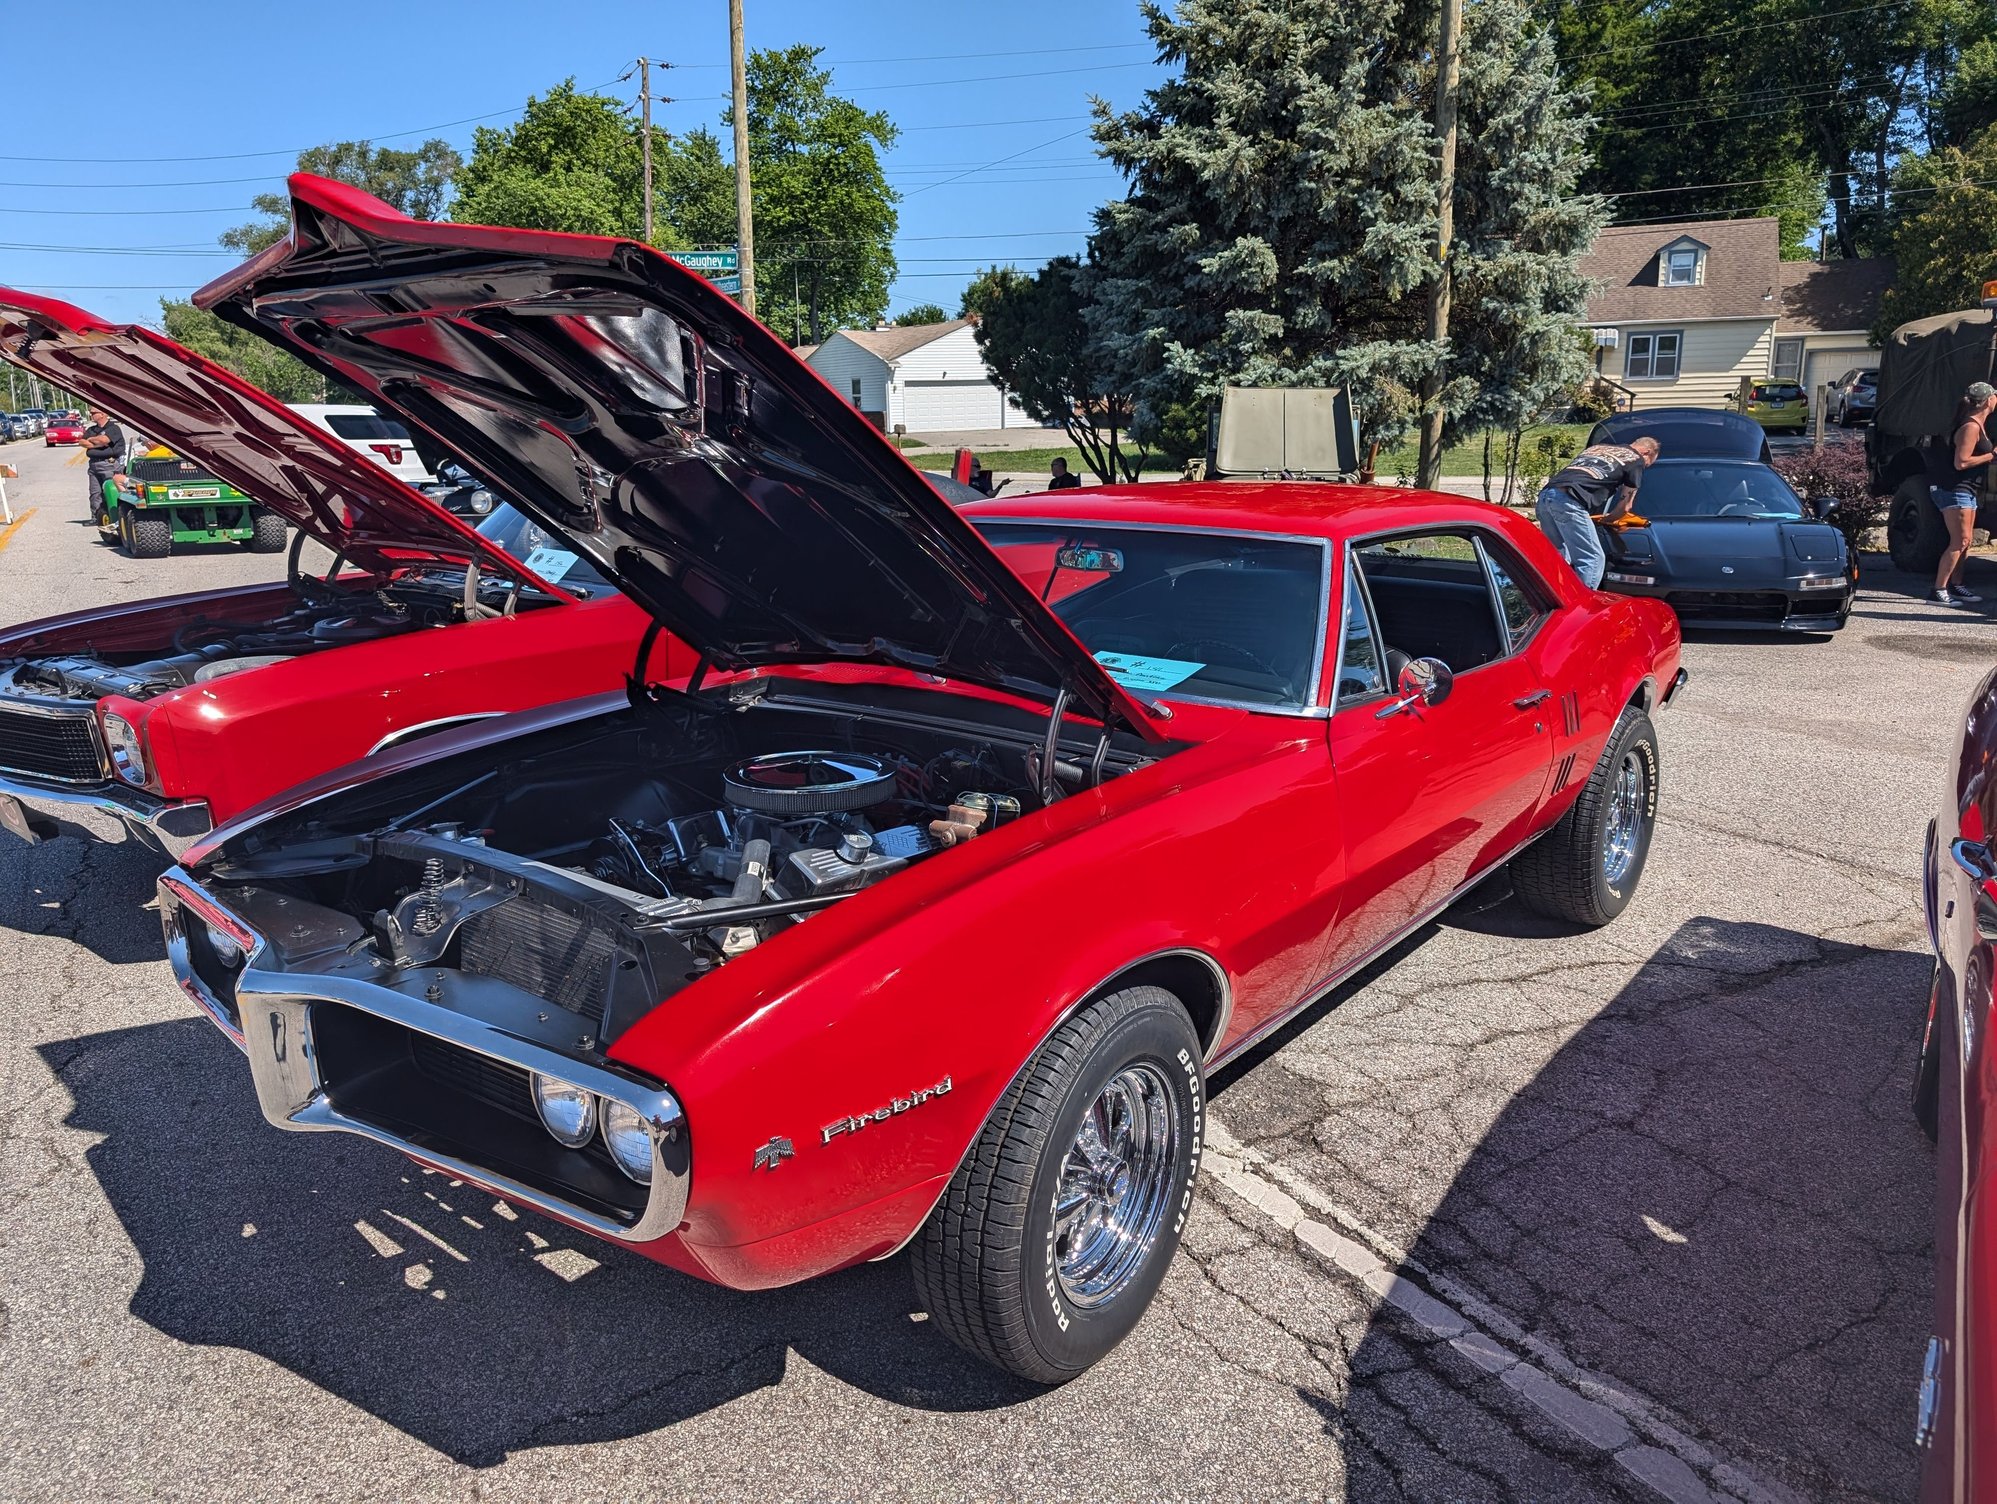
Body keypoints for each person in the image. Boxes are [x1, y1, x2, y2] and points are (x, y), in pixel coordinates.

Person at [1534, 435, 1660, 590]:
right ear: (1647, 452)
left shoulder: (1597, 448)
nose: (1644, 467)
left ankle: (1550, 596)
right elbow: (1625, 506)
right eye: (1648, 464)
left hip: (1546, 495)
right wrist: (1610, 519)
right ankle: (1581, 606)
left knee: (1557, 556)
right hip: (1569, 501)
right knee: (1592, 558)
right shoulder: (1636, 459)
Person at [1931, 381, 1996, 605]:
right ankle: (1938, 590)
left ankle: (1957, 585)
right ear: (1989, 400)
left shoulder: (1979, 424)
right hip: (1955, 490)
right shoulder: (1970, 426)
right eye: (1995, 396)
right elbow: (1961, 462)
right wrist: (1991, 456)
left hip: (1967, 490)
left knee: (1966, 542)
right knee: (1959, 541)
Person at [79, 407, 126, 515]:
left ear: (102, 414)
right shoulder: (91, 430)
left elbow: (104, 440)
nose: (91, 415)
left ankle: (115, 515)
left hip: (109, 465)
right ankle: (96, 516)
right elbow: (81, 442)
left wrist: (91, 440)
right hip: (94, 464)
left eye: (93, 413)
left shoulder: (113, 428)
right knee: (95, 493)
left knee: (111, 491)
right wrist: (96, 442)